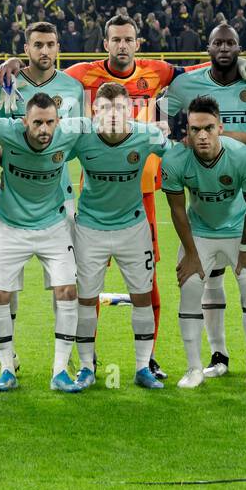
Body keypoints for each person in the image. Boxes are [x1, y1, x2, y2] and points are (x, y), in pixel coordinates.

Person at [0, 13, 246, 382]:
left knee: (145, 286)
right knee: (86, 290)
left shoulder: (154, 76)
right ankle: (87, 361)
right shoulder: (80, 80)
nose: (122, 45)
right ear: (105, 43)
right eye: (115, 39)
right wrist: (17, 64)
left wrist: (238, 60)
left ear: (137, 43)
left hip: (143, 200)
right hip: (90, 212)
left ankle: (146, 361)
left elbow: (197, 71)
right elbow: (45, 74)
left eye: (128, 39)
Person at [163, 22, 246, 380]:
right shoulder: (184, 84)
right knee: (205, 281)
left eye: (231, 42)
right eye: (217, 42)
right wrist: (183, 140)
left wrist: (232, 140)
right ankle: (217, 356)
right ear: (208, 47)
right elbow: (161, 116)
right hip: (203, 205)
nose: (224, 48)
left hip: (245, 197)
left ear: (240, 46)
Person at [0, 93, 85, 393]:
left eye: (50, 122)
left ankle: (61, 371)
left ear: (58, 121)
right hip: (9, 227)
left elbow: (105, 123)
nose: (44, 130)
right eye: (37, 122)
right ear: (23, 121)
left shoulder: (70, 131)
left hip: (53, 226)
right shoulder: (5, 129)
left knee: (67, 291)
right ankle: (6, 369)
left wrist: (151, 127)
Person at [66, 82, 169, 389]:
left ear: (131, 111)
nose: (113, 114)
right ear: (95, 110)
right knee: (85, 300)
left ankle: (142, 367)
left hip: (133, 229)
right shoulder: (81, 136)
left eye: (120, 107)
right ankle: (86, 367)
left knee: (142, 297)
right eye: (107, 107)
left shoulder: (146, 134)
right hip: (89, 230)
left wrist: (169, 130)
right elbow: (47, 147)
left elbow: (177, 152)